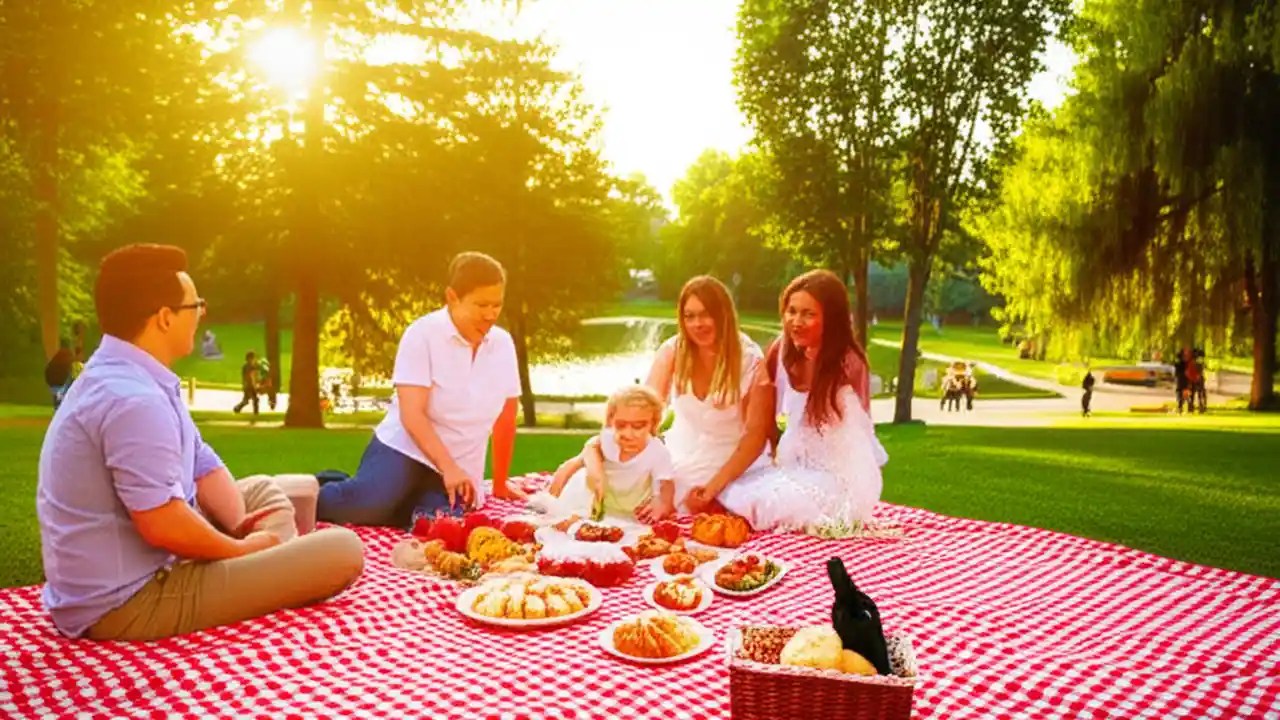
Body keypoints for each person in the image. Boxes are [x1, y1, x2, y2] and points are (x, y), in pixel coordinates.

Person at [36, 243, 364, 642]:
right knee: (343, 551)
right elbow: (162, 524)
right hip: (130, 604)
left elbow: (201, 464)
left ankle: (270, 558)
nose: (202, 314)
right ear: (163, 318)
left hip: (148, 563)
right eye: (195, 306)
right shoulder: (131, 399)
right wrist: (240, 551)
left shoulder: (131, 375)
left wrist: (242, 529)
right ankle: (273, 560)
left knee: (262, 489)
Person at [317, 251, 524, 528]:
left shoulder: (503, 344)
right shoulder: (422, 334)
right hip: (406, 448)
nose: (490, 315)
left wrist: (499, 483)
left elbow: (506, 416)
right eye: (481, 305)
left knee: (436, 525)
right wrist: (447, 467)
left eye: (496, 305)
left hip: (460, 465)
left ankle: (399, 497)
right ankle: (324, 487)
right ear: (452, 297)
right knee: (368, 507)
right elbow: (412, 415)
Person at [719, 269, 887, 536]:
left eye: (809, 314)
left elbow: (861, 432)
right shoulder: (781, 350)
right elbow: (765, 414)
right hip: (794, 464)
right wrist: (774, 450)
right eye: (791, 311)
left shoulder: (849, 362)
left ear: (830, 319)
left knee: (772, 504)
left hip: (839, 472)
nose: (796, 321)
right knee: (734, 492)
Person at [644, 276, 774, 514]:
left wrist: (712, 488)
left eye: (706, 314)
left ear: (724, 315)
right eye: (689, 316)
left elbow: (754, 438)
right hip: (678, 453)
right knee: (613, 484)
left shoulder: (752, 361)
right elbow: (644, 415)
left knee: (709, 501)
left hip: (729, 461)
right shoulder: (672, 351)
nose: (697, 324)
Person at [543, 384, 676, 523]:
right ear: (611, 421)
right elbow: (577, 461)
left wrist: (662, 503)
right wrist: (553, 497)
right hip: (603, 506)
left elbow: (666, 484)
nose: (628, 434)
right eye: (621, 425)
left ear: (653, 424)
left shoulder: (656, 451)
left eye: (638, 426)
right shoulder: (607, 441)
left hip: (633, 511)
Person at [44, 341, 75, 409]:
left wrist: (49, 382)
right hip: (61, 384)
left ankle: (58, 407)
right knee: (61, 397)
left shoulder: (53, 361)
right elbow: (69, 374)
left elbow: (47, 371)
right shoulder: (67, 360)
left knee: (58, 397)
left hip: (54, 384)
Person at [233, 351, 260, 417]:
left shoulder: (250, 366)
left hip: (249, 385)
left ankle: (237, 408)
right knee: (254, 399)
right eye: (253, 358)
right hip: (249, 386)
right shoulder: (247, 366)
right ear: (249, 359)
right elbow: (248, 376)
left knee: (247, 400)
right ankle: (256, 413)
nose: (254, 359)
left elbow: (255, 373)